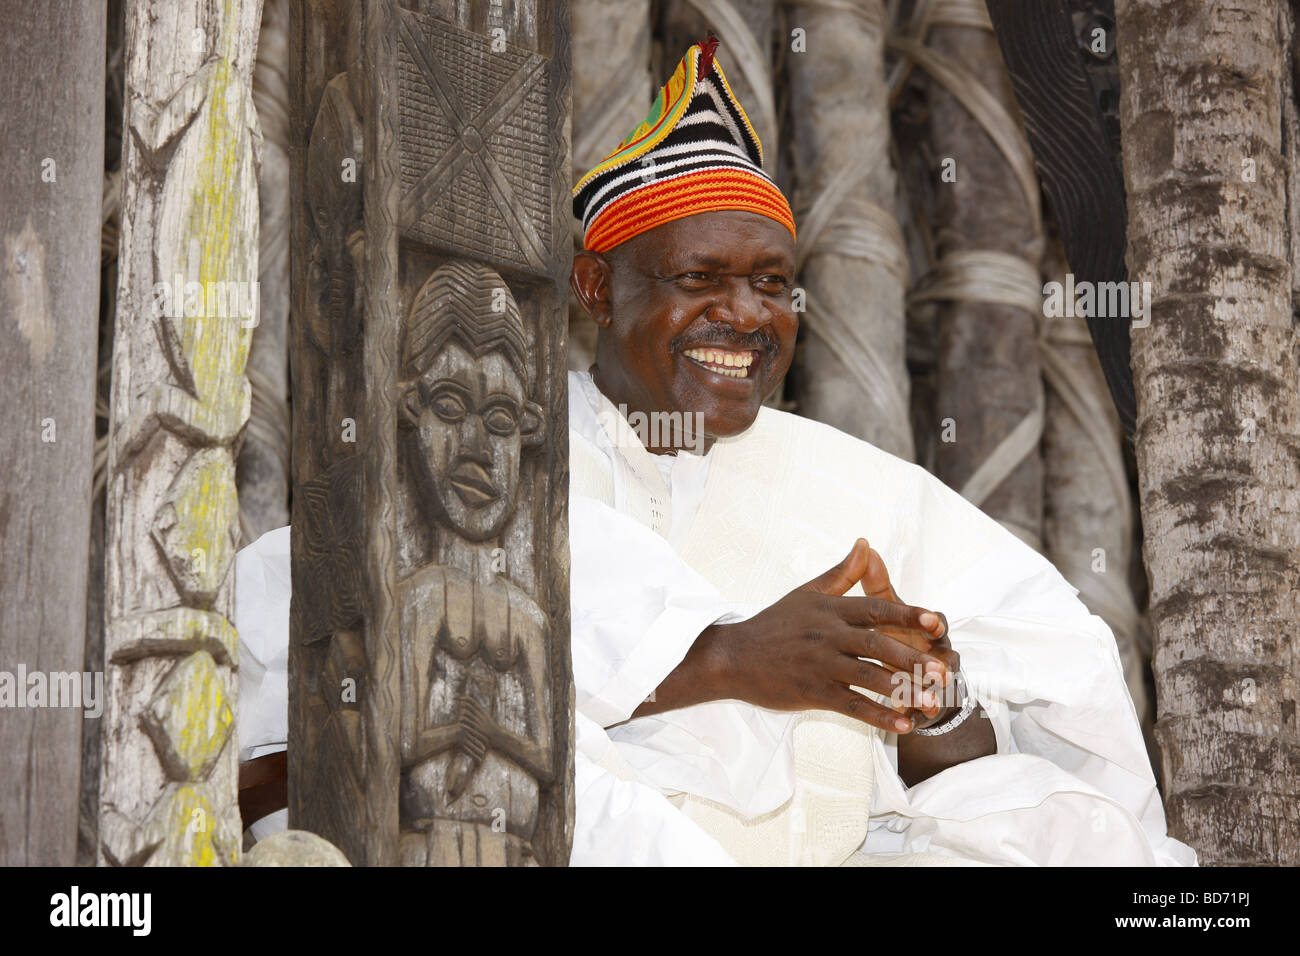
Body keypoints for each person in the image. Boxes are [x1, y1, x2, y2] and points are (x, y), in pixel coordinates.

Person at [235, 33, 1196, 866]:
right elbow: (318, 716)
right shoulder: (485, 455)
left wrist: (930, 703)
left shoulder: (861, 489)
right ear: (597, 290)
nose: (744, 315)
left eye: (773, 285)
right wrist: (726, 658)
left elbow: (1010, 754)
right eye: (701, 277)